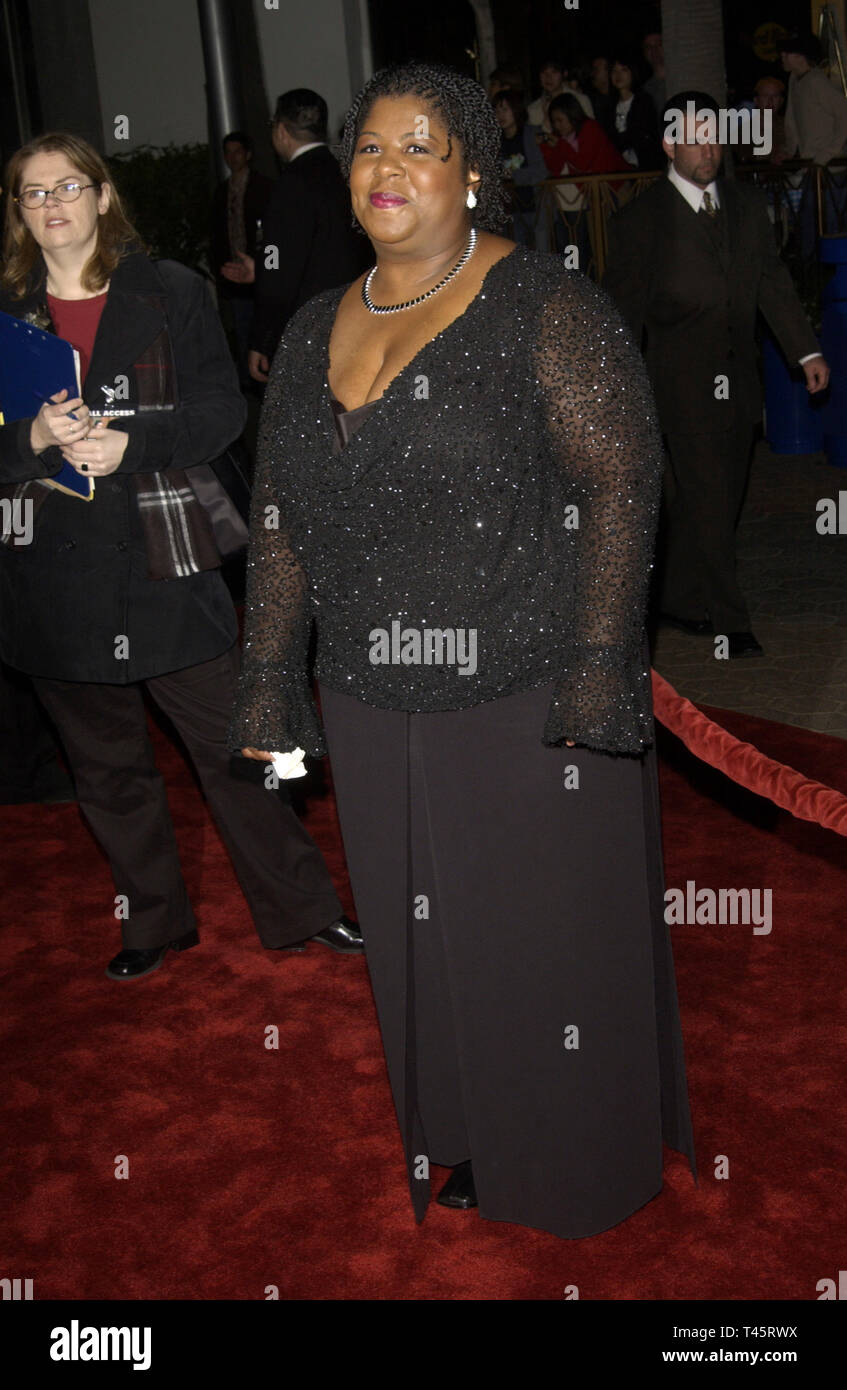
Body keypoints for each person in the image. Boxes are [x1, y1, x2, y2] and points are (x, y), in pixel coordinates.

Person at [229, 61, 697, 1240]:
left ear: (473, 178)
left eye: (420, 147)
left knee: (541, 945)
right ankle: (472, 1129)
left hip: (525, 689)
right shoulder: (305, 334)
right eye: (371, 148)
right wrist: (270, 680)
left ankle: (571, 1158)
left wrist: (599, 663)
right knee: (424, 933)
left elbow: (624, 480)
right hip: (370, 700)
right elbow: (281, 513)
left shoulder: (546, 304)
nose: (388, 169)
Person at [0, 132, 362, 979]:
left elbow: (223, 414)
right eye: (32, 192)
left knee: (238, 753)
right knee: (106, 767)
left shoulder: (172, 292)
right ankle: (153, 920)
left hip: (165, 557)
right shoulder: (5, 316)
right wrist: (30, 437)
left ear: (100, 197)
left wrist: (133, 445)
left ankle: (304, 910)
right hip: (50, 570)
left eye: (68, 187)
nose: (52, 204)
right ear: (18, 212)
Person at [602, 93, 828, 657]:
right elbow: (622, 310)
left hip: (741, 384)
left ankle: (677, 598)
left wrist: (805, 353)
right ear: (670, 144)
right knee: (706, 499)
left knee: (718, 500)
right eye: (696, 136)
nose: (708, 147)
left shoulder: (746, 207)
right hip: (677, 383)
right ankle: (731, 621)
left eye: (715, 135)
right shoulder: (643, 219)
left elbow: (772, 284)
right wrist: (612, 389)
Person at [222, 89, 372, 384]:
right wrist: (261, 268)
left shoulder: (290, 184)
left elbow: (282, 269)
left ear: (280, 130)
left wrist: (263, 339)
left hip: (311, 331)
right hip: (357, 317)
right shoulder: (345, 173)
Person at [209, 131, 272, 386]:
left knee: (263, 328)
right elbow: (216, 233)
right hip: (233, 273)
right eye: (228, 153)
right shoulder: (222, 192)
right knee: (243, 328)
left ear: (247, 155)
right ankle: (248, 383)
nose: (232, 158)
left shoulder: (263, 187)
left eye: (237, 152)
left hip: (260, 271)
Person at [540, 93, 629, 258]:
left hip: (613, 188)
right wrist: (549, 147)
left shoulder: (590, 128)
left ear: (571, 115)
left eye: (560, 120)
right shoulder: (563, 138)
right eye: (554, 121)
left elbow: (583, 163)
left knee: (615, 238)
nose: (557, 126)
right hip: (593, 195)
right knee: (598, 241)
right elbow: (556, 168)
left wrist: (561, 146)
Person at [493, 88, 548, 248]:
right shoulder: (496, 141)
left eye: (505, 109)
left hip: (536, 203)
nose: (500, 114)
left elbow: (542, 170)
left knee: (542, 253)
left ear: (516, 110)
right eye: (496, 110)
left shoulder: (531, 134)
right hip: (512, 209)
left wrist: (514, 175)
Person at [605, 52, 663, 170]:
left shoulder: (643, 101)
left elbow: (640, 134)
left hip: (645, 167)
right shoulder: (608, 105)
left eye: (624, 70)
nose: (618, 75)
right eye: (614, 71)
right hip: (618, 168)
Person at [527, 57, 593, 135]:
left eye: (554, 72)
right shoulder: (533, 109)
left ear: (564, 74)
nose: (548, 77)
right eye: (544, 72)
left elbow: (591, 132)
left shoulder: (580, 100)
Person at [642, 31, 666, 119]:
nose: (654, 50)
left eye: (658, 44)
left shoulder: (683, 79)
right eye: (649, 47)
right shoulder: (645, 90)